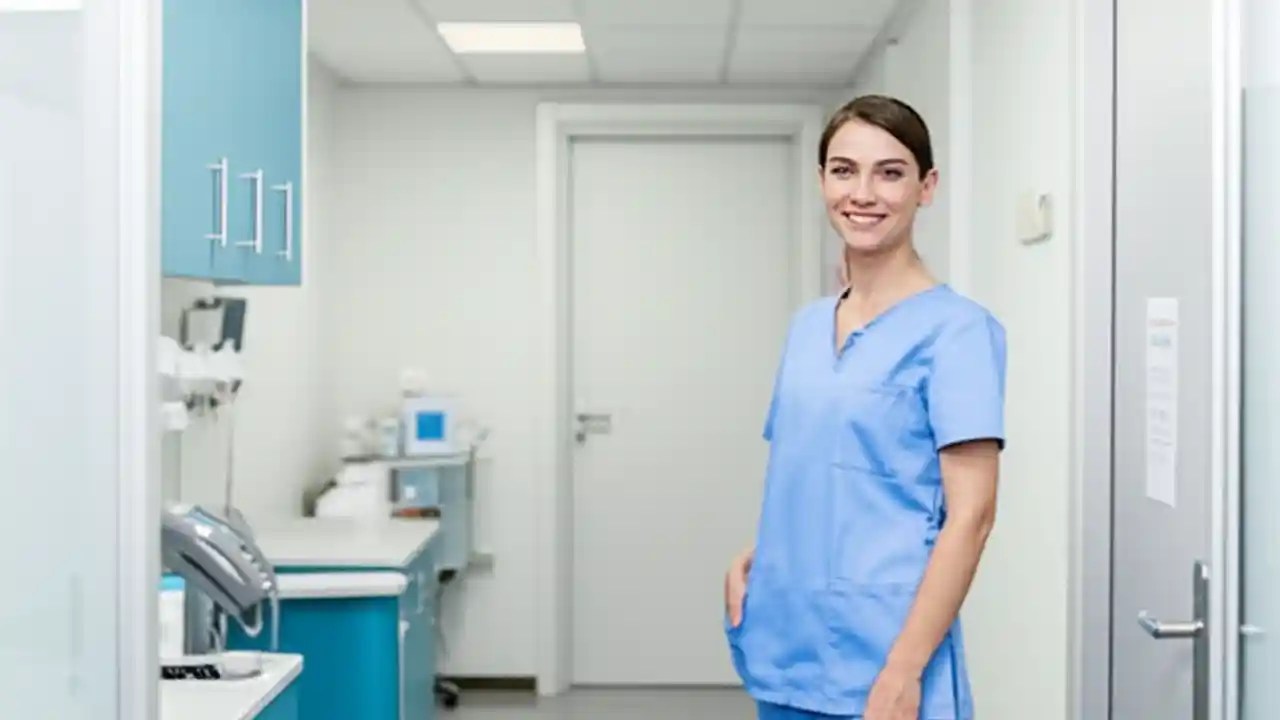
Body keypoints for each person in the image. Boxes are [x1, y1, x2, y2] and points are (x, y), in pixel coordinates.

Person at [722, 95, 1006, 720]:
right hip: (785, 647)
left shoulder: (957, 332)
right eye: (844, 170)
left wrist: (904, 670)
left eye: (891, 171)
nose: (864, 192)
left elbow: (973, 517)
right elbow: (812, 474)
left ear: (926, 187)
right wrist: (758, 558)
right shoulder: (807, 327)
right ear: (822, 181)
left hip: (885, 659)